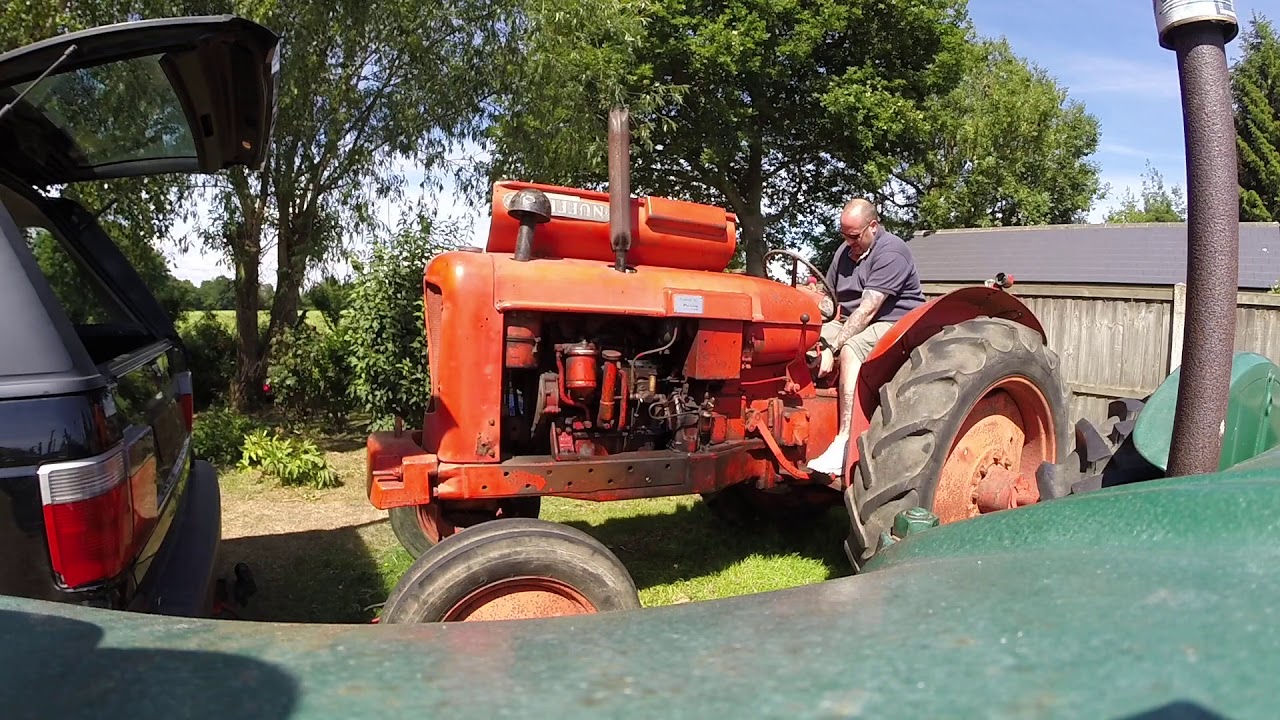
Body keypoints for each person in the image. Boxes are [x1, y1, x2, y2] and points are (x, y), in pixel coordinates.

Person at [806, 198, 925, 475]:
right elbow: (829, 299)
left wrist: (832, 349)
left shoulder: (891, 251)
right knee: (805, 337)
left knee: (852, 347)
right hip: (850, 318)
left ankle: (843, 442)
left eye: (854, 236)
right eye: (844, 235)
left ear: (873, 226)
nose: (849, 242)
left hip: (895, 321)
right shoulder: (845, 251)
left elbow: (869, 309)